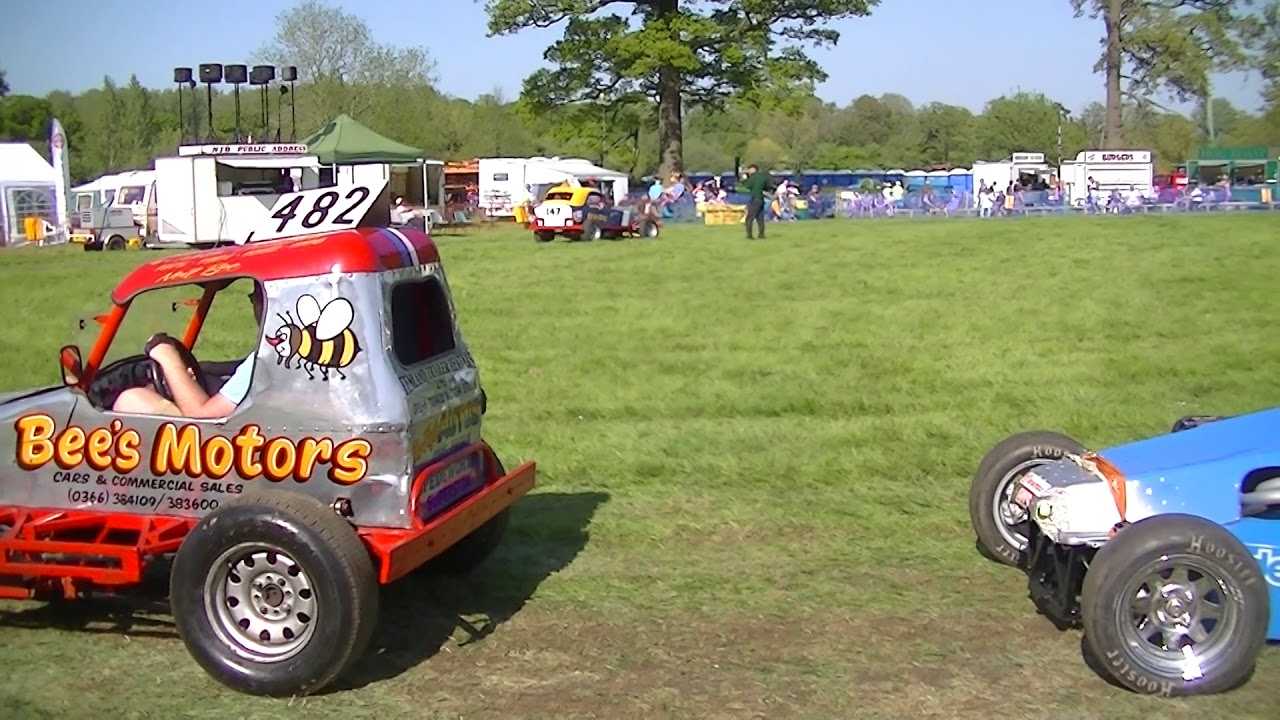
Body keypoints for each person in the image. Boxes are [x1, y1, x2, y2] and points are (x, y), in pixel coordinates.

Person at [112, 284, 265, 419]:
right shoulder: (272, 354)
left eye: (259, 297)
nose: (256, 305)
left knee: (131, 400)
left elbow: (202, 415)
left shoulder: (266, 360)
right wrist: (206, 367)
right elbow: (246, 371)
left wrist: (168, 357)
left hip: (229, 439)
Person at [739, 164, 774, 239]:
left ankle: (749, 235)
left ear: (753, 169)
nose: (748, 171)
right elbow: (768, 187)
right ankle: (761, 234)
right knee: (760, 218)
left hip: (755, 198)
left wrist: (744, 178)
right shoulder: (763, 177)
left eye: (749, 170)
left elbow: (747, 185)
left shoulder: (753, 177)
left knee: (749, 218)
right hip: (761, 199)